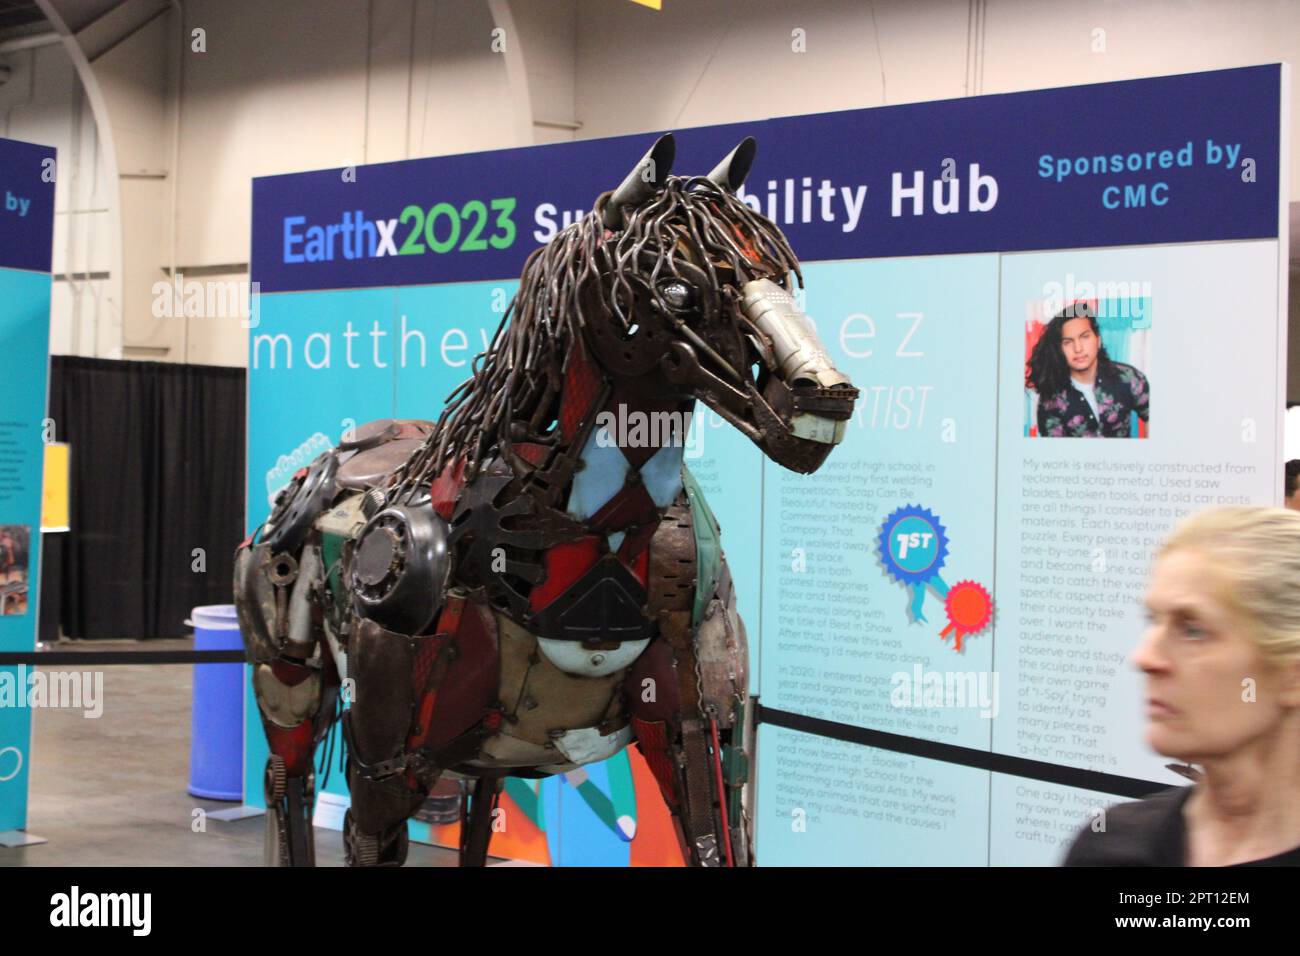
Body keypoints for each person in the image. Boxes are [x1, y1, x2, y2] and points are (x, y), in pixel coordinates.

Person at [1064, 506, 1300, 865]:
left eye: (1193, 630)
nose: (1144, 657)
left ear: (1291, 675)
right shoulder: (1110, 848)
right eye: (1153, 620)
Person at [1028, 303, 1149, 438]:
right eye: (1068, 342)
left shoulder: (1128, 377)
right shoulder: (1050, 399)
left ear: (1098, 340)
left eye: (1085, 336)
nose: (1078, 348)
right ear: (1060, 350)